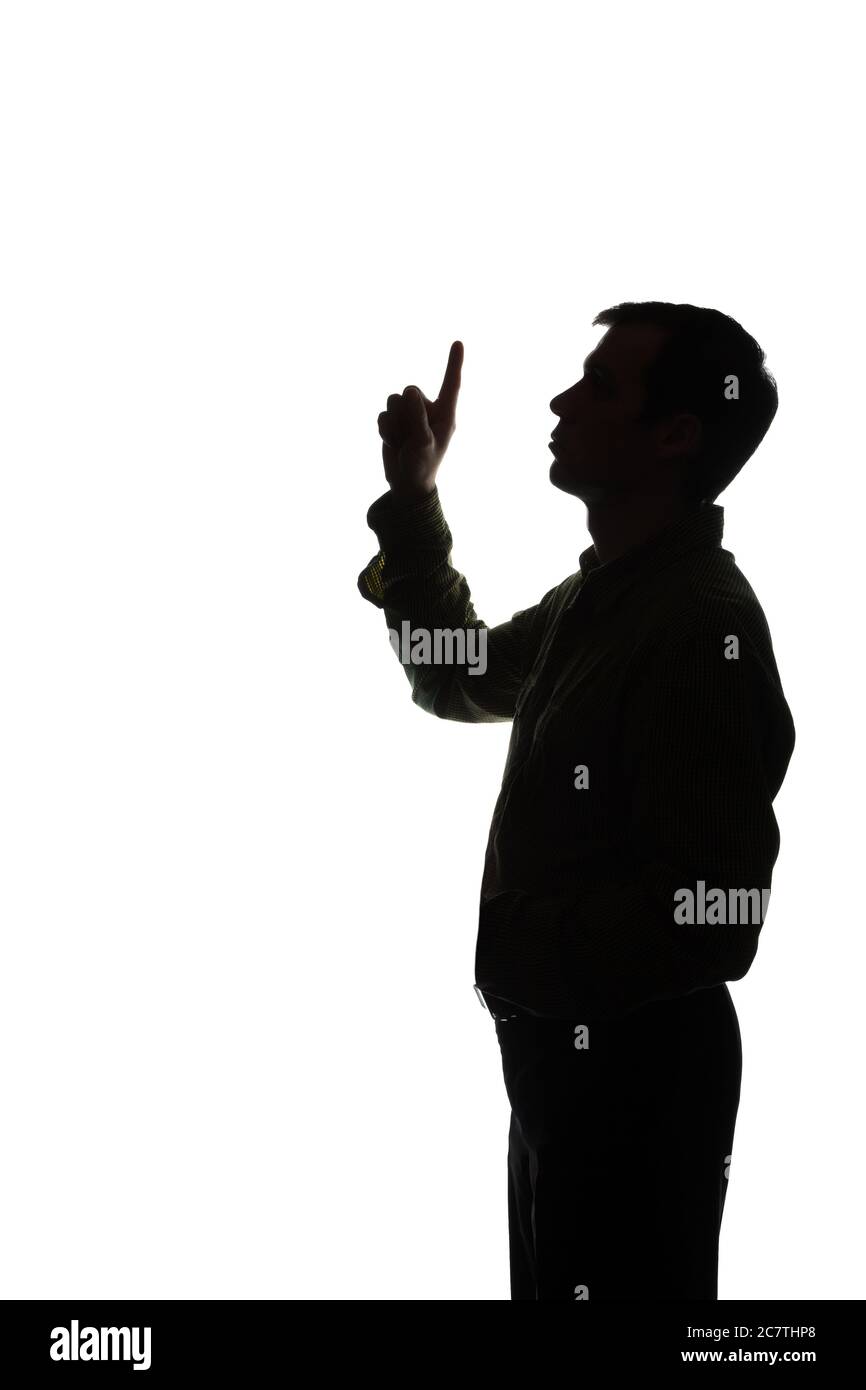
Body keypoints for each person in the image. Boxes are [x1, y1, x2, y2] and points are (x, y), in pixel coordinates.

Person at [357, 302, 795, 1301]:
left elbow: (717, 913)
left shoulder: (701, 626)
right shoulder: (598, 600)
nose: (560, 402)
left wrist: (518, 953)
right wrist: (414, 496)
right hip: (570, 1074)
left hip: (633, 1086)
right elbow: (456, 670)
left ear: (674, 434)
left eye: (599, 386)